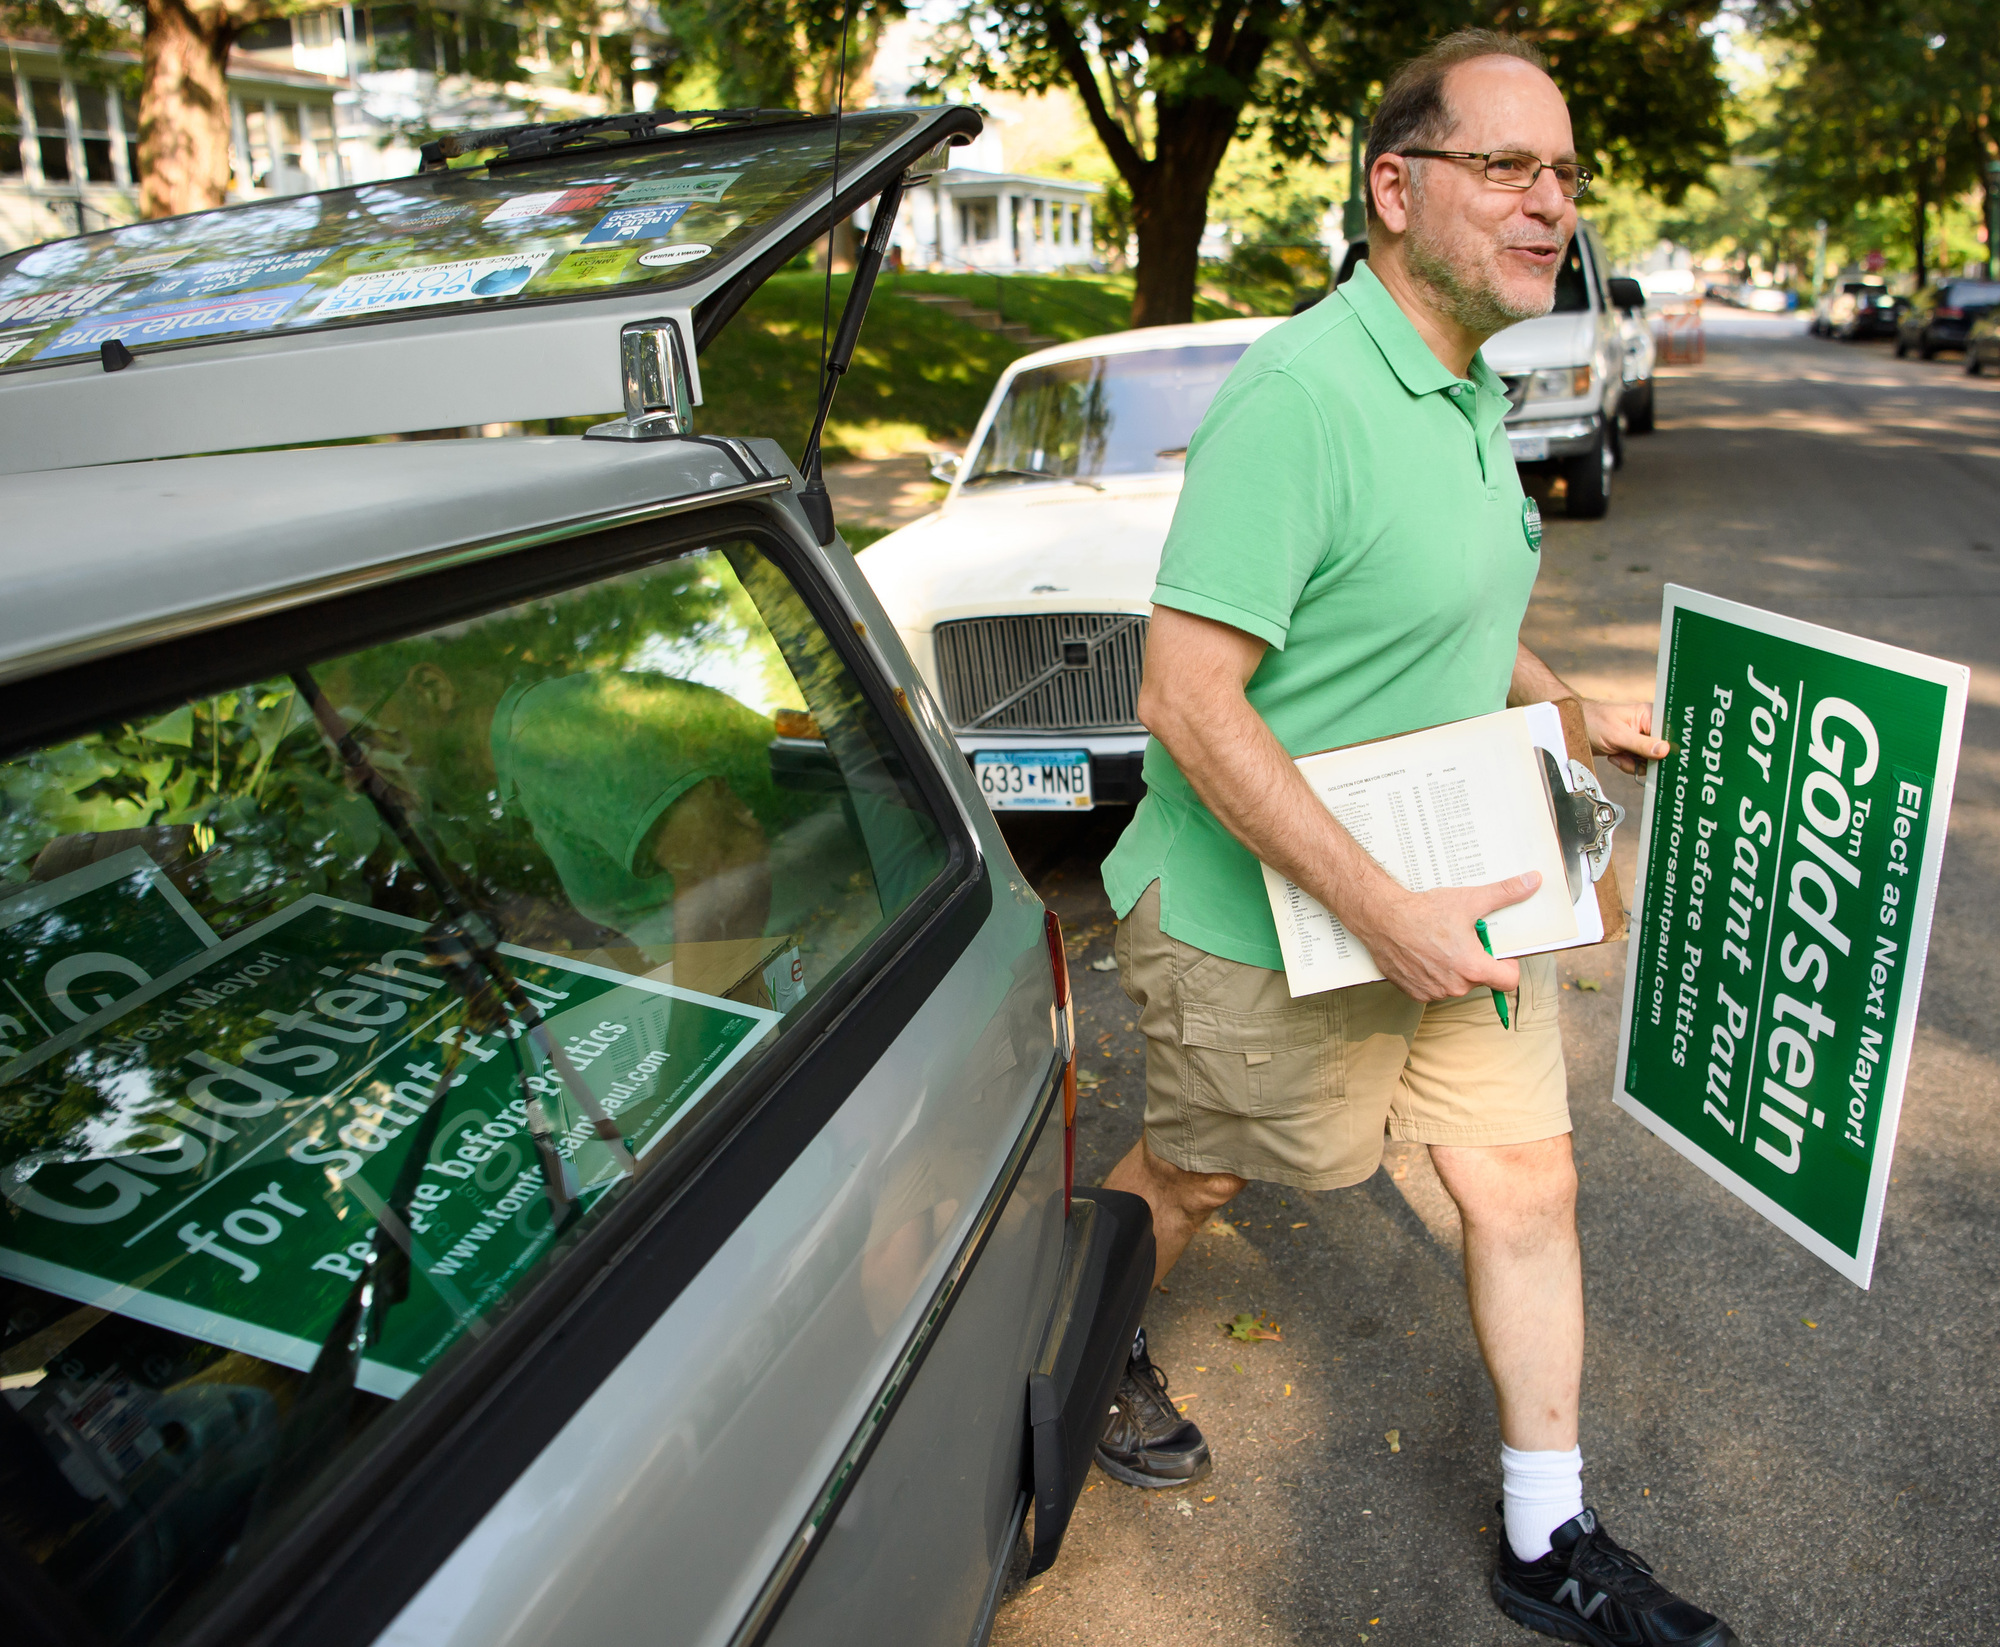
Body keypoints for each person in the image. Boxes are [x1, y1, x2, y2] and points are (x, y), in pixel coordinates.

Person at [1088, 31, 1737, 1647]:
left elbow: (1433, 604)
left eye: (1566, 175)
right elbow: (1186, 695)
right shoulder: (1304, 397)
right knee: (1199, 1171)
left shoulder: (1467, 384)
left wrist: (1561, 699)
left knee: (1524, 1184)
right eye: (1507, 168)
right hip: (1271, 922)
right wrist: (1381, 911)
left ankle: (1547, 1534)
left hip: (1457, 893)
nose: (1550, 206)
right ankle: (1079, 1347)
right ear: (1395, 187)